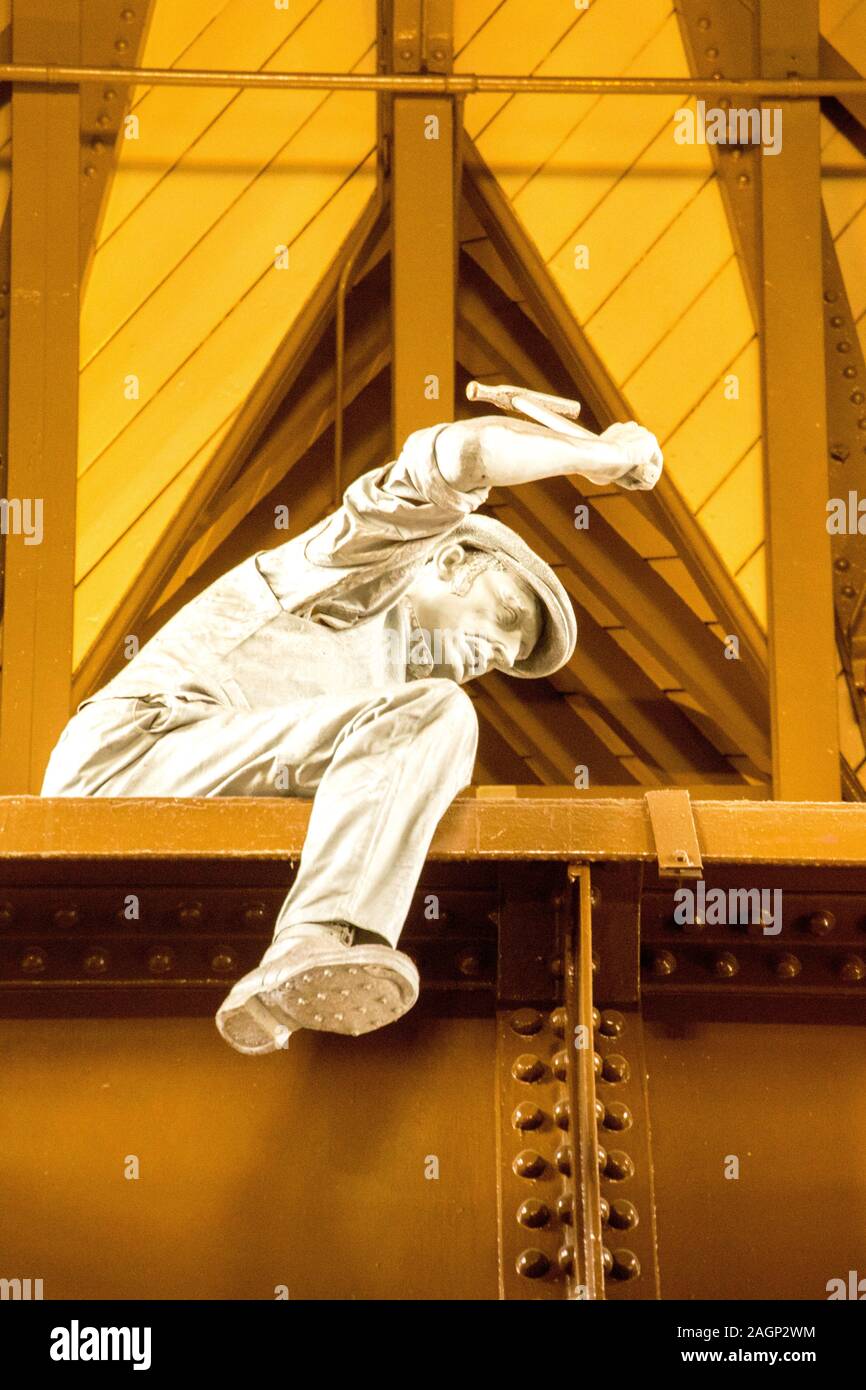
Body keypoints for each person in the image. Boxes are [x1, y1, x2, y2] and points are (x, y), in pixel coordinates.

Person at [40, 408, 662, 1055]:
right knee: (437, 713)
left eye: (512, 654)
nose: (497, 652)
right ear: (449, 560)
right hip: (131, 758)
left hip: (191, 795)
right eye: (504, 615)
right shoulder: (353, 574)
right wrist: (594, 457)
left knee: (425, 729)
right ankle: (312, 938)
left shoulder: (384, 720)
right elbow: (452, 459)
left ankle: (306, 954)